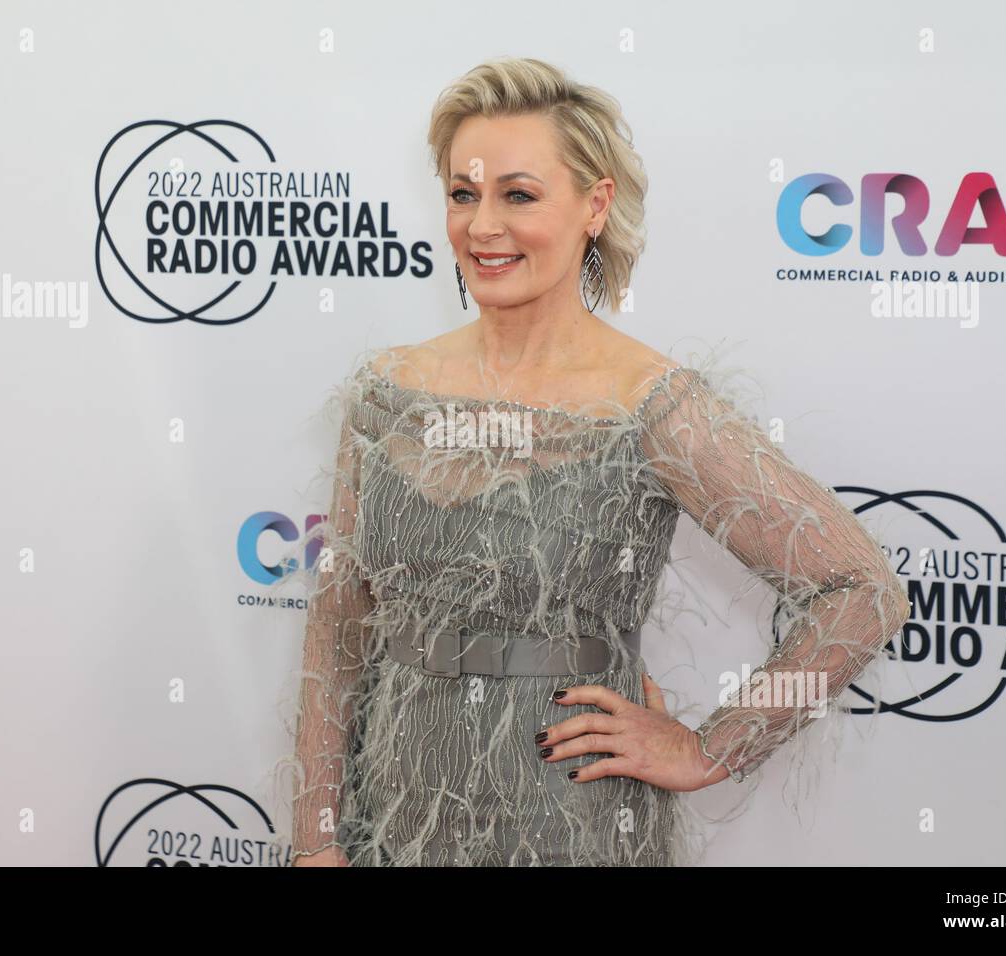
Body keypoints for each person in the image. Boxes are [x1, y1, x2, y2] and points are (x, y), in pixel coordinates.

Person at [278, 57, 909, 866]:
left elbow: (862, 589)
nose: (482, 227)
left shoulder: (650, 403)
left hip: (568, 819)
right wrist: (315, 842)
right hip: (389, 812)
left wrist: (710, 746)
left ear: (595, 205)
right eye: (463, 195)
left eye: (519, 194)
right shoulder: (385, 390)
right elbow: (339, 626)